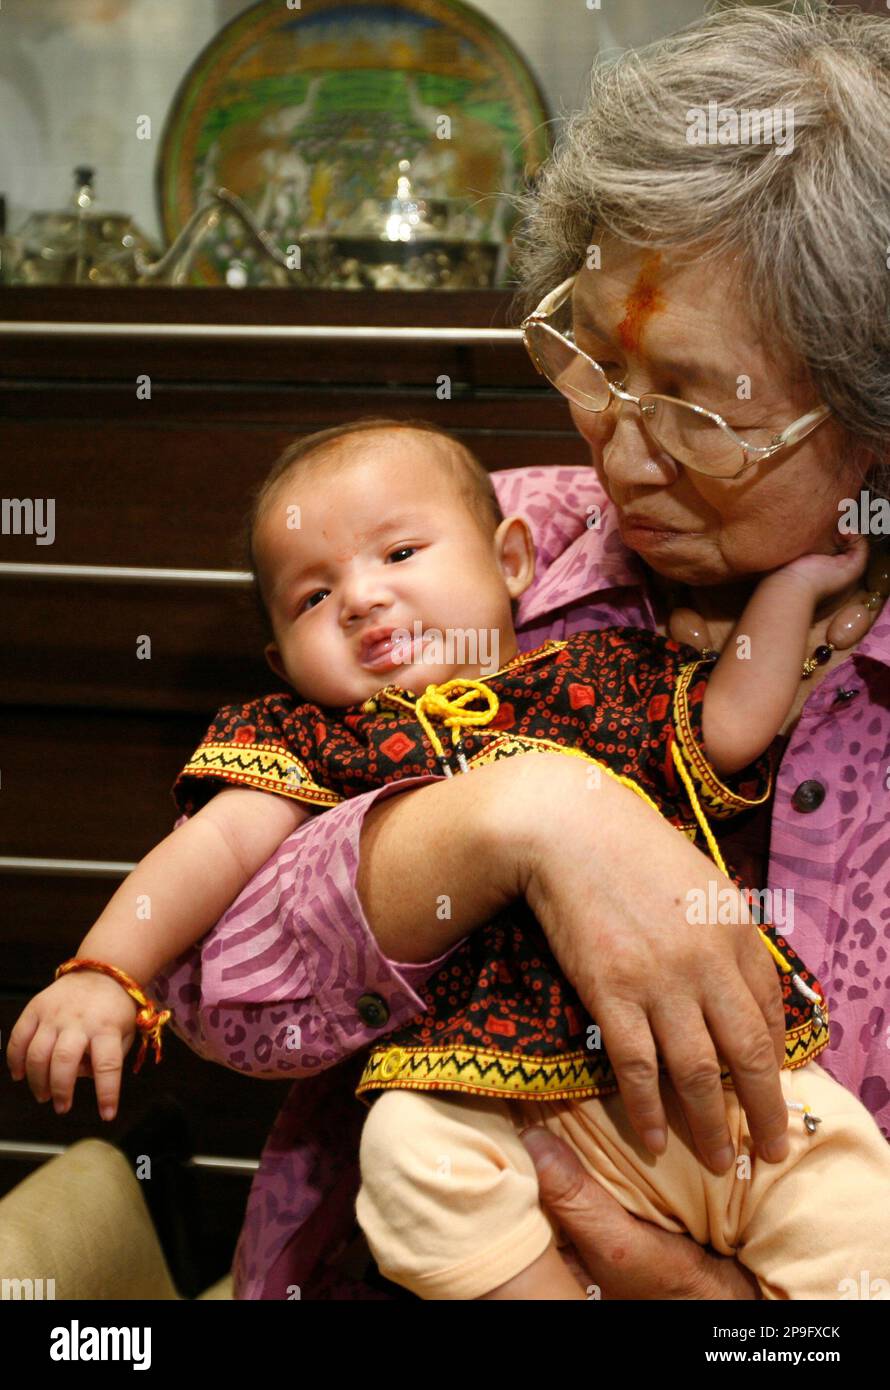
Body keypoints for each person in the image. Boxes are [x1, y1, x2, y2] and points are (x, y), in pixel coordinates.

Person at [12, 2, 890, 1300]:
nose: (616, 450)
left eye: (695, 409)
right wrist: (519, 814)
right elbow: (226, 1000)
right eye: (591, 353)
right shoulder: (485, 554)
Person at [8, 418, 889, 1303]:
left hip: (706, 1076)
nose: (360, 599)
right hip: (478, 1095)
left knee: (848, 1201)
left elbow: (730, 725)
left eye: (398, 552)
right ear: (281, 661)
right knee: (405, 1152)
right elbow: (214, 844)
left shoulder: (599, 677)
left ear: (511, 561)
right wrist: (106, 970)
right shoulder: (318, 737)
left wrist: (796, 582)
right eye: (314, 597)